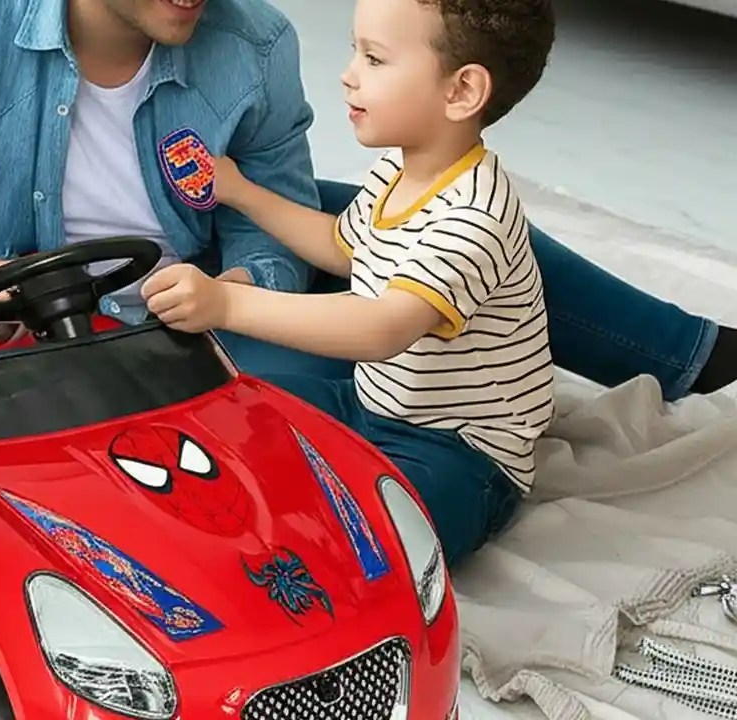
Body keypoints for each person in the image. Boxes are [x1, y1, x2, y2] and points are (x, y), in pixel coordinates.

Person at [0, 0, 735, 404]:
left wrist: (240, 296)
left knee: (433, 227)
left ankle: (693, 355)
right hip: (37, 329)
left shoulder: (252, 39)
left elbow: (265, 223)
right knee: (305, 429)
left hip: (202, 290)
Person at [141, 0, 556, 566]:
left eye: (375, 58)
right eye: (354, 50)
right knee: (232, 421)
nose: (348, 73)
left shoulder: (475, 215)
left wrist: (226, 302)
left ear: (461, 92)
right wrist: (241, 191)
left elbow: (379, 328)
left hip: (460, 452)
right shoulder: (398, 170)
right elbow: (341, 245)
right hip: (370, 405)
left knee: (368, 544)